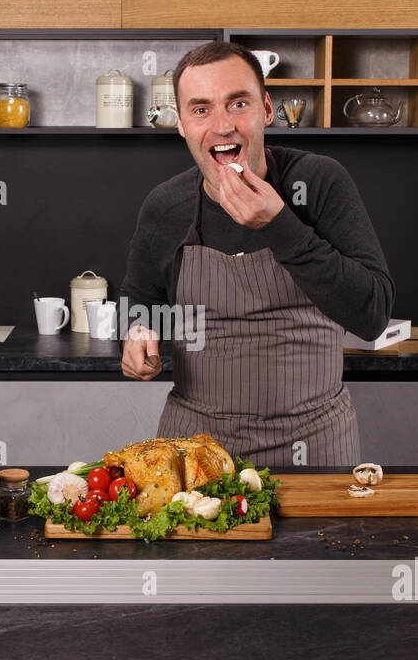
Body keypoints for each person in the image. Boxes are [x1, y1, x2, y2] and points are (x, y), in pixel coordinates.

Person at [119, 41, 395, 467]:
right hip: (197, 449)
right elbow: (140, 301)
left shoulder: (319, 183)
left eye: (238, 103)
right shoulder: (165, 205)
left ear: (267, 109)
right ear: (181, 125)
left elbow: (372, 314)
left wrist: (279, 225)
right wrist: (138, 334)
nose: (223, 125)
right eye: (201, 109)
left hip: (315, 444)